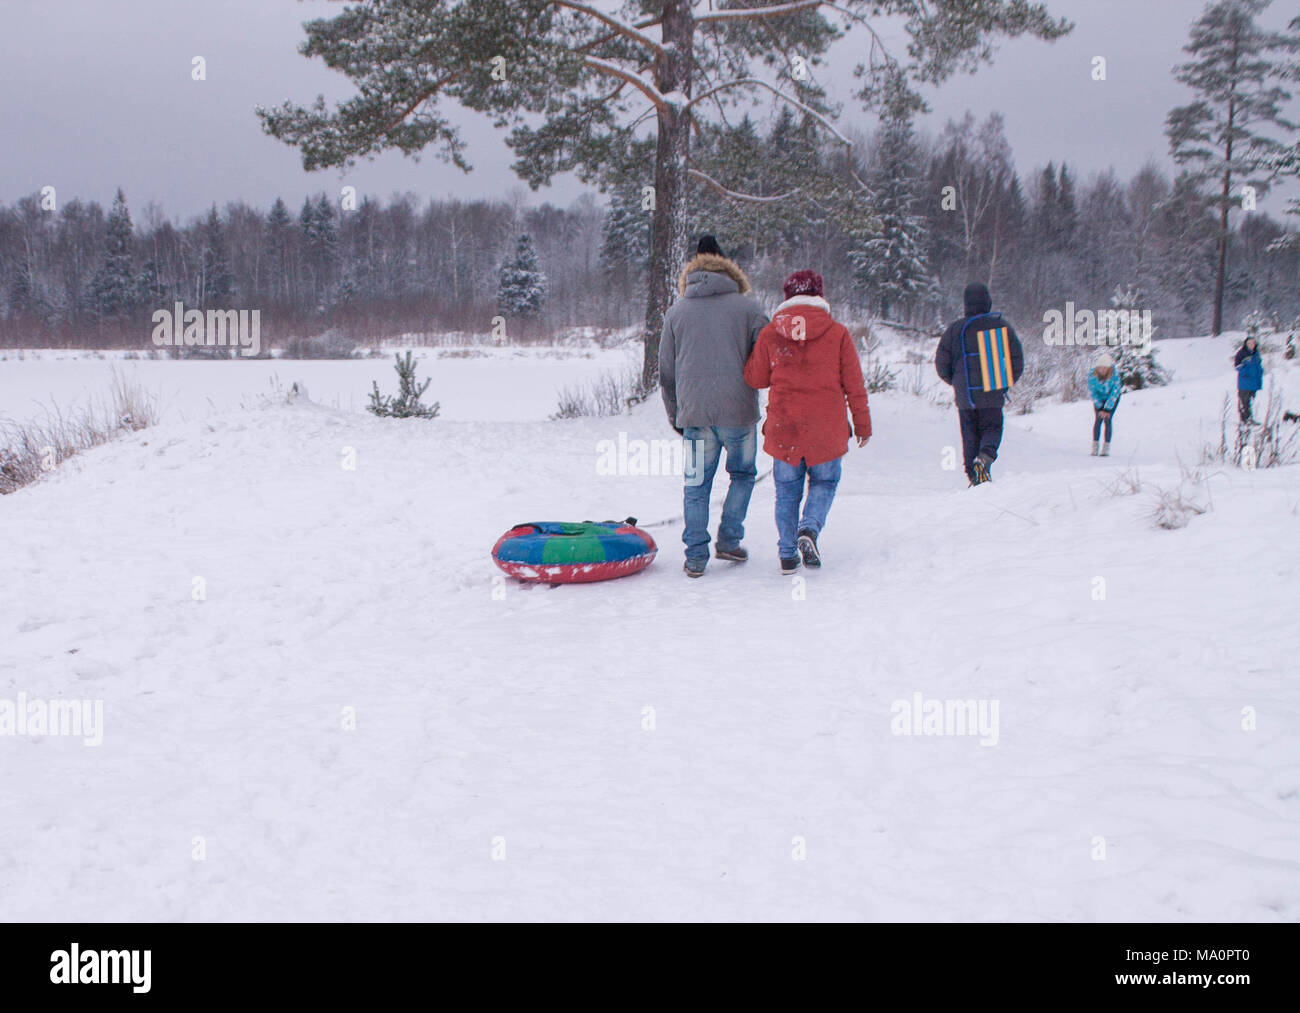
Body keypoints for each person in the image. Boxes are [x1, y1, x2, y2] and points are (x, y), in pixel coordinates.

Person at [743, 270, 871, 574]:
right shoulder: (837, 333)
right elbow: (855, 385)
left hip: (784, 429)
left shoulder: (771, 334)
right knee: (825, 482)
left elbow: (756, 378)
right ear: (819, 296)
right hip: (826, 430)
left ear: (787, 297)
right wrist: (863, 426)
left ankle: (787, 554)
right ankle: (809, 529)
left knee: (787, 492)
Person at [659, 235, 769, 578]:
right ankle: (729, 540)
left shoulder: (676, 312)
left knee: (695, 486)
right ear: (727, 267)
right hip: (738, 413)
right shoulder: (749, 308)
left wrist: (677, 414)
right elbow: (766, 359)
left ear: (692, 271)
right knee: (743, 475)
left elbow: (666, 372)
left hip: (695, 414)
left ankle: (695, 557)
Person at [934, 282, 1024, 485]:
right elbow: (1017, 360)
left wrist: (956, 382)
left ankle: (973, 476)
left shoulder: (954, 330)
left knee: (969, 434)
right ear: (988, 301)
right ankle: (985, 457)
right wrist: (1006, 382)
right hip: (993, 390)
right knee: (992, 428)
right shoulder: (1001, 326)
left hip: (966, 394)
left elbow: (941, 364)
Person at [1088, 353, 1122, 457]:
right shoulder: (1092, 376)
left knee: (1107, 419)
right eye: (1100, 368)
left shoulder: (1114, 375)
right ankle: (1095, 446)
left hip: (1112, 399)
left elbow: (1115, 392)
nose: (1102, 370)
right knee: (1098, 419)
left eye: (1105, 368)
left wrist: (1107, 409)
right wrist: (1099, 408)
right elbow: (1093, 392)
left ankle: (1106, 447)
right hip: (1099, 399)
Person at [1234, 334, 1264, 425]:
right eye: (1249, 343)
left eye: (1253, 343)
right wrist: (1246, 371)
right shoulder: (1242, 353)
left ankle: (1249, 418)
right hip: (1244, 382)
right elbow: (1237, 366)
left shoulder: (1256, 353)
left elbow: (1258, 365)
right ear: (1246, 344)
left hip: (1253, 382)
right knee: (1244, 401)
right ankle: (1245, 419)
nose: (1252, 345)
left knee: (1249, 401)